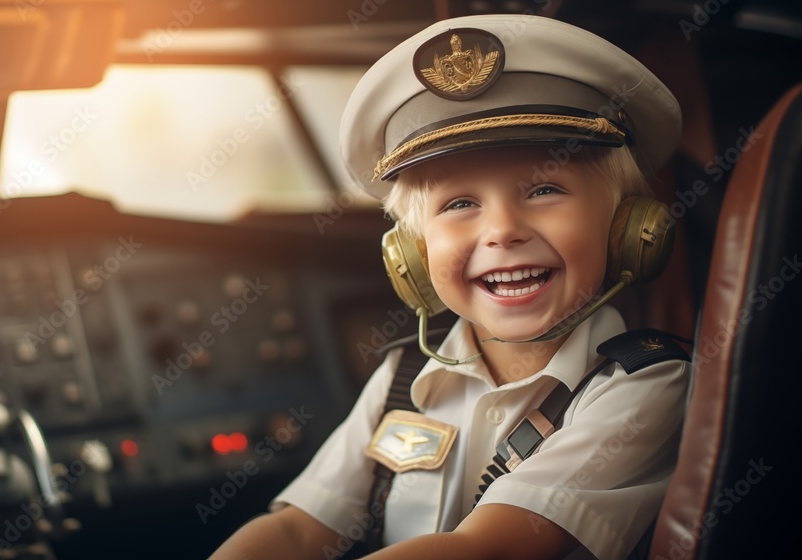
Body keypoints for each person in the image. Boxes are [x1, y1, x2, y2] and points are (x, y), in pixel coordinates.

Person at [210, 13, 689, 560]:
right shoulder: (403, 377)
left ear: (627, 226)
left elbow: (483, 548)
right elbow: (298, 530)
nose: (503, 230)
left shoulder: (645, 386)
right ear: (413, 253)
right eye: (460, 203)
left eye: (545, 190)